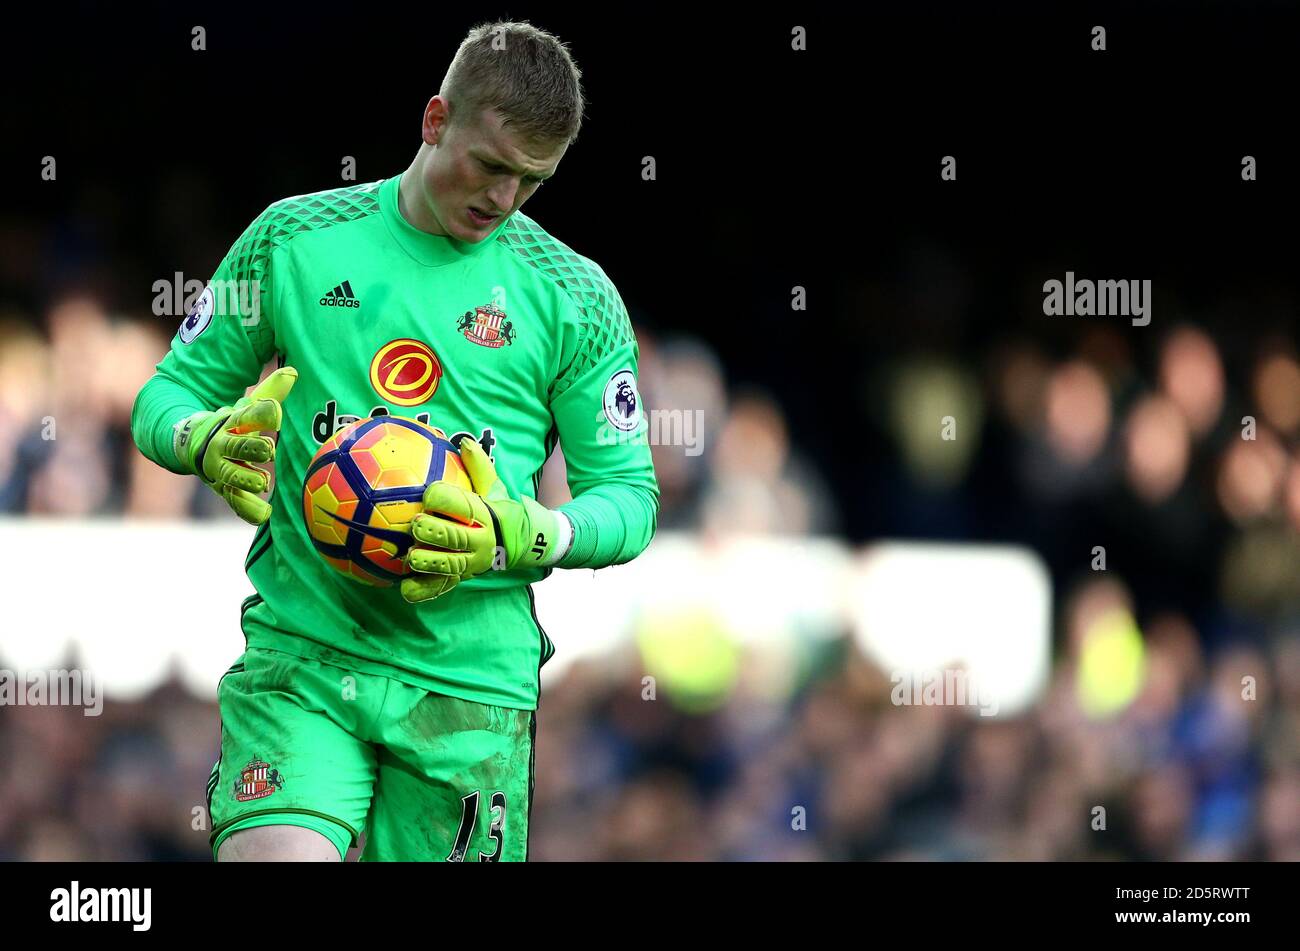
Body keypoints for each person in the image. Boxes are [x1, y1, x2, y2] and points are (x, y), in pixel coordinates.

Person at [131, 20, 659, 861]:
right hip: (305, 656)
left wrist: (533, 530)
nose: (504, 199)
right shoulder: (293, 240)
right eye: (491, 165)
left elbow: (629, 498)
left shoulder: (576, 297)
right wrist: (201, 439)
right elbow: (171, 391)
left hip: (470, 691)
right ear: (434, 120)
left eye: (533, 180)